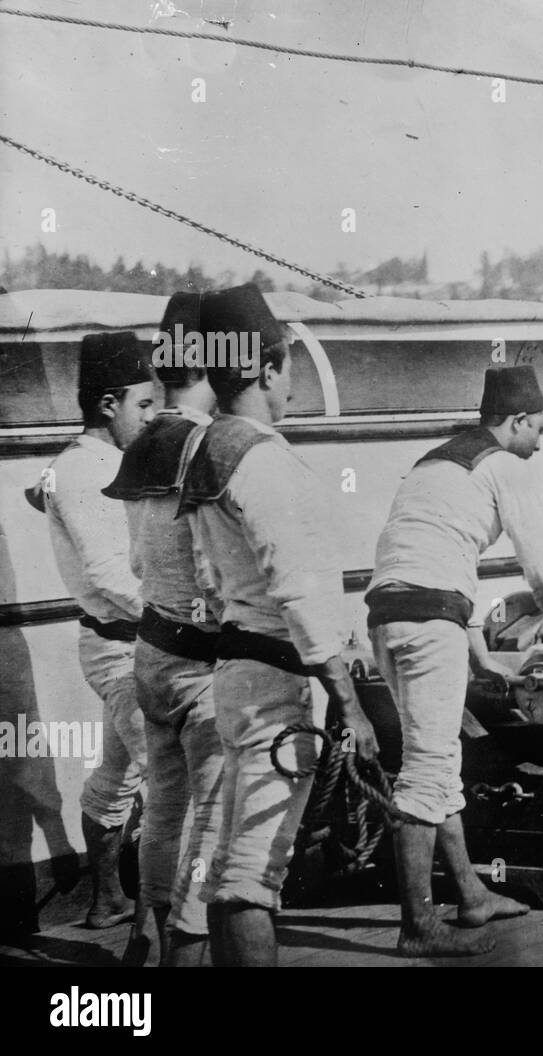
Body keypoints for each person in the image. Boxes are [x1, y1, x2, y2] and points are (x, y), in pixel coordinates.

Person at [178, 284, 378, 966]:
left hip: (237, 676)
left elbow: (206, 579)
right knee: (255, 875)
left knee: (236, 866)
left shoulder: (205, 451)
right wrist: (351, 705)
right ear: (267, 369)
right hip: (274, 686)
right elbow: (299, 592)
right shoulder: (262, 457)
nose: (291, 381)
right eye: (288, 366)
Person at [367, 365, 543, 957]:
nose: (540, 443)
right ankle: (416, 926)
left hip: (388, 620)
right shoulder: (503, 464)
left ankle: (470, 895)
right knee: (427, 770)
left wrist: (481, 659)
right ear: (515, 421)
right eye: (537, 429)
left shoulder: (433, 463)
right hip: (427, 622)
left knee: (438, 761)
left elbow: (429, 556)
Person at [102, 292, 225, 965]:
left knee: (165, 807)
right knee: (210, 815)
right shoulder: (204, 445)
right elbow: (212, 571)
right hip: (203, 663)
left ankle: (145, 934)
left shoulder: (143, 441)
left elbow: (136, 559)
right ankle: (189, 945)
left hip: (150, 652)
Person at [36, 332, 156, 929]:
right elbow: (110, 575)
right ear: (108, 405)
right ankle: (168, 928)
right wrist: (188, 624)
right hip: (124, 648)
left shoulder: (93, 464)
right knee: (170, 783)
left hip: (129, 643)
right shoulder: (82, 468)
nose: (153, 415)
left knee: (117, 777)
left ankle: (108, 899)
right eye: (145, 404)